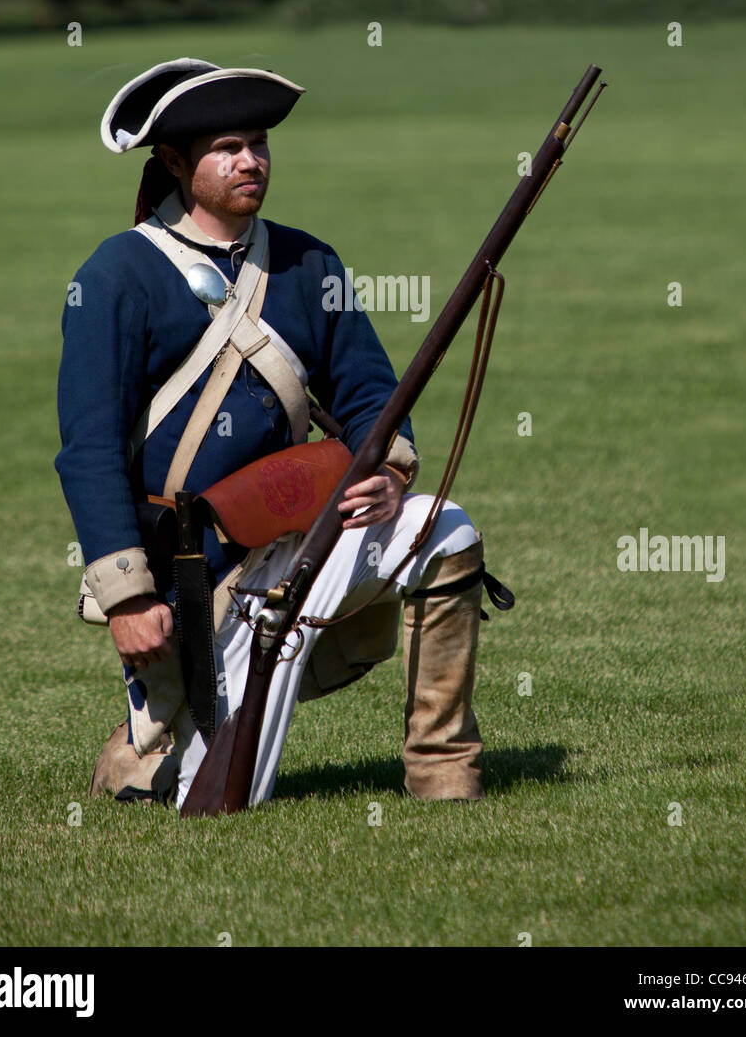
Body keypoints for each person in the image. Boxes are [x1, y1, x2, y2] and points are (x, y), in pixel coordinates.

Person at [55, 59, 498, 811]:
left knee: (445, 531)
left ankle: (443, 770)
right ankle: (148, 744)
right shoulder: (116, 274)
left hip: (308, 536)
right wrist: (127, 600)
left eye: (258, 143)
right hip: (201, 583)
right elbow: (89, 447)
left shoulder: (306, 260)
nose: (250, 161)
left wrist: (388, 473)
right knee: (210, 802)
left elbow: (366, 393)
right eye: (228, 146)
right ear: (172, 162)